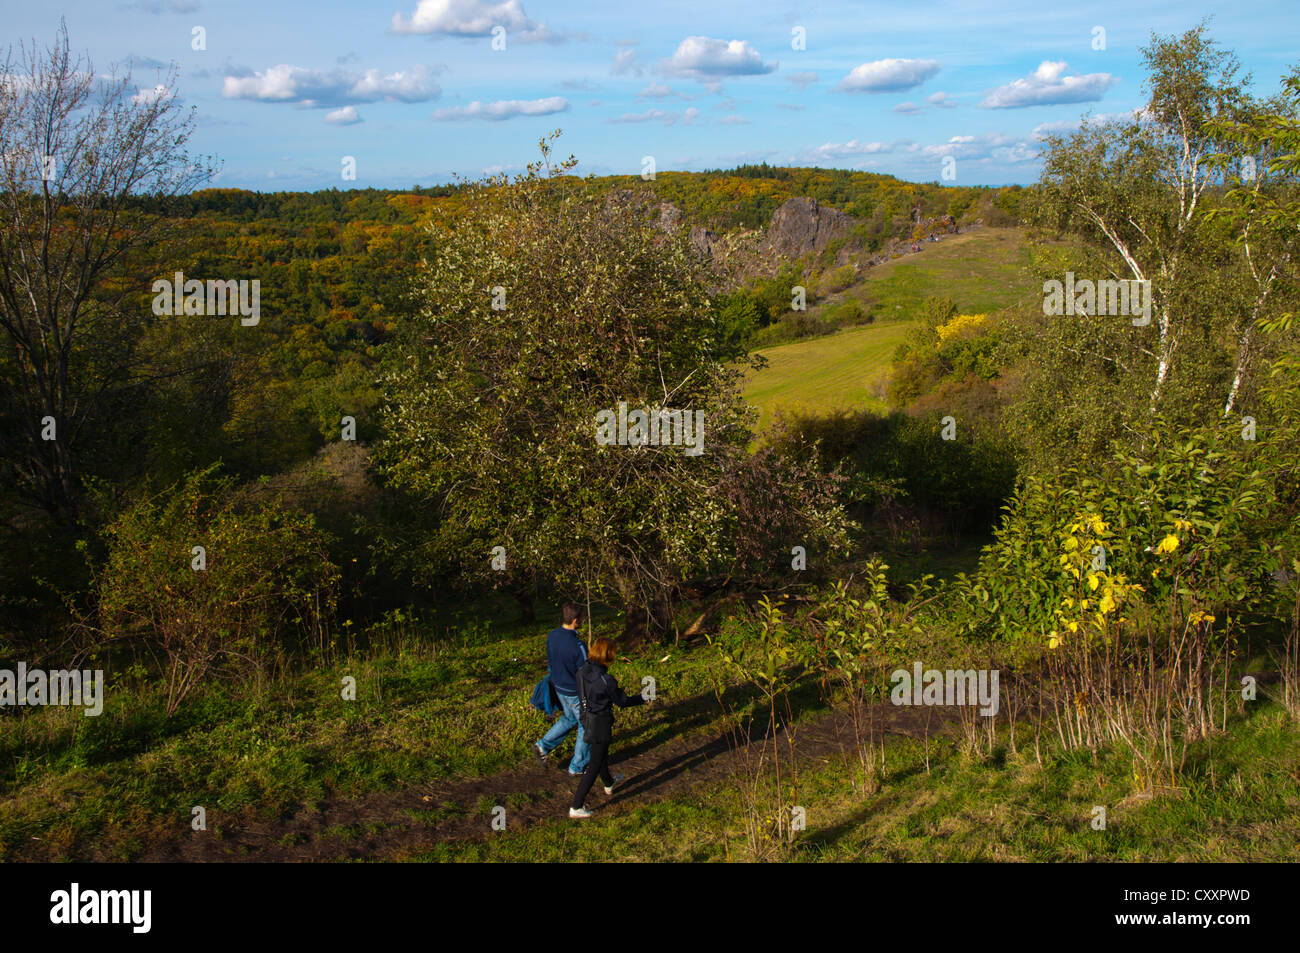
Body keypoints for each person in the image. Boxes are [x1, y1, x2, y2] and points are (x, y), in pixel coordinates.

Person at [569, 637, 646, 819]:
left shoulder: (582, 671)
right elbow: (623, 701)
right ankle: (576, 805)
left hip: (586, 718)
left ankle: (609, 782)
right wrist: (642, 698)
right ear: (608, 656)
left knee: (600, 753)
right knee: (594, 763)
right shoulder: (606, 680)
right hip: (601, 723)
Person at [533, 603, 590, 775]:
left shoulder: (553, 635)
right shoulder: (577, 645)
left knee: (569, 718)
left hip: (558, 686)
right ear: (575, 621)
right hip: (575, 691)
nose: (582, 621)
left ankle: (542, 746)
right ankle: (578, 766)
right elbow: (585, 673)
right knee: (585, 725)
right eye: (581, 619)